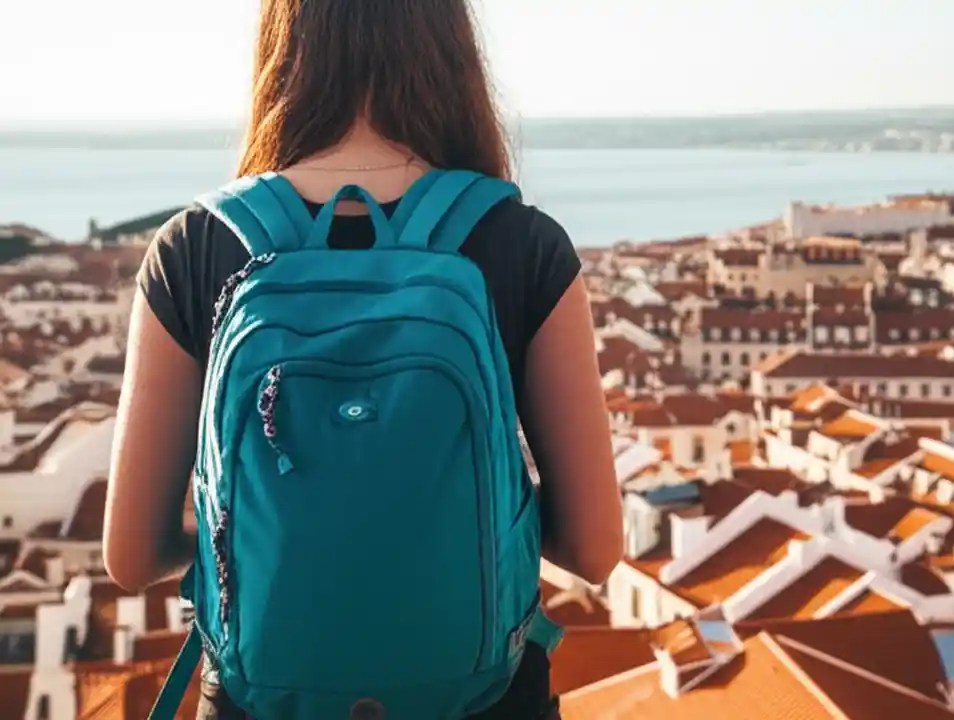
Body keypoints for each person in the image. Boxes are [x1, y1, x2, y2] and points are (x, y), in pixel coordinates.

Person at [102, 1, 623, 718]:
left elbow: (131, 558)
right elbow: (594, 550)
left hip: (261, 700)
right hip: (484, 698)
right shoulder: (521, 243)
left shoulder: (195, 248)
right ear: (450, 46)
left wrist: (276, 530)